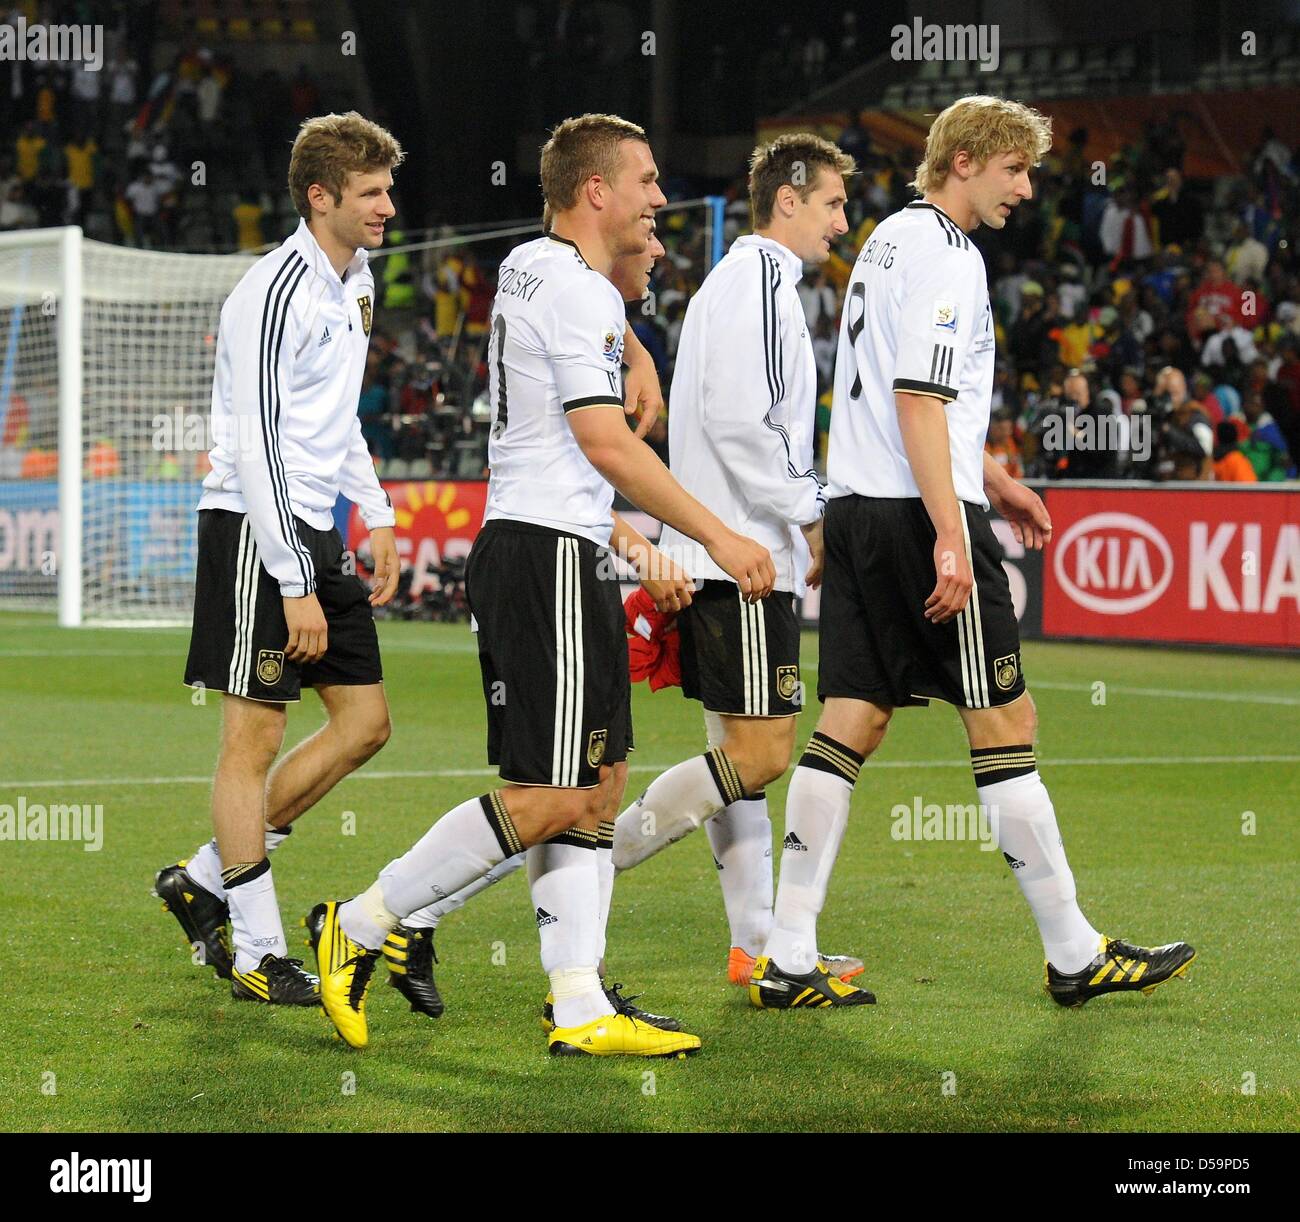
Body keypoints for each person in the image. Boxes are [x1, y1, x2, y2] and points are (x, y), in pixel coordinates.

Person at [306, 113, 775, 1056]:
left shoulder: (535, 266)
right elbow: (606, 443)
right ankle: (358, 926)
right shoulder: (575, 292)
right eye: (643, 179)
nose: (656, 196)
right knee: (550, 796)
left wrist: (635, 345)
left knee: (597, 786)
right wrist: (718, 536)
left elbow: (585, 332)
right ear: (595, 191)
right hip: (545, 553)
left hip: (560, 550)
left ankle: (578, 1005)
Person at [751, 95, 1194, 1011]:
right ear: (963, 159)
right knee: (1005, 719)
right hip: (919, 514)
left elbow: (904, 397)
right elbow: (918, 399)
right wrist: (957, 532)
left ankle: (787, 954)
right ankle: (1073, 952)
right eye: (1014, 171)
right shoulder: (952, 256)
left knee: (853, 720)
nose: (1025, 190)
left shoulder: (883, 241)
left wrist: (993, 480)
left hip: (862, 508)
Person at [156, 112, 404, 1008]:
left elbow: (332, 423)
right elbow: (257, 444)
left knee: (365, 724)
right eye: (372, 192)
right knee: (251, 739)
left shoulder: (357, 281)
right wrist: (294, 580)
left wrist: (374, 513)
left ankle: (201, 877)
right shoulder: (272, 292)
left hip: (319, 530)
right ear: (321, 196)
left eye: (388, 189)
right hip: (253, 529)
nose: (387, 207)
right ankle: (258, 952)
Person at [608, 133, 866, 992]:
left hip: (727, 551)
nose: (841, 220)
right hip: (741, 558)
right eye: (831, 202)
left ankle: (757, 947)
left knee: (738, 766)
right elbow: (740, 421)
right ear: (786, 199)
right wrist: (813, 507)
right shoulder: (759, 283)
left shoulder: (747, 284)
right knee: (758, 758)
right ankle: (594, 854)